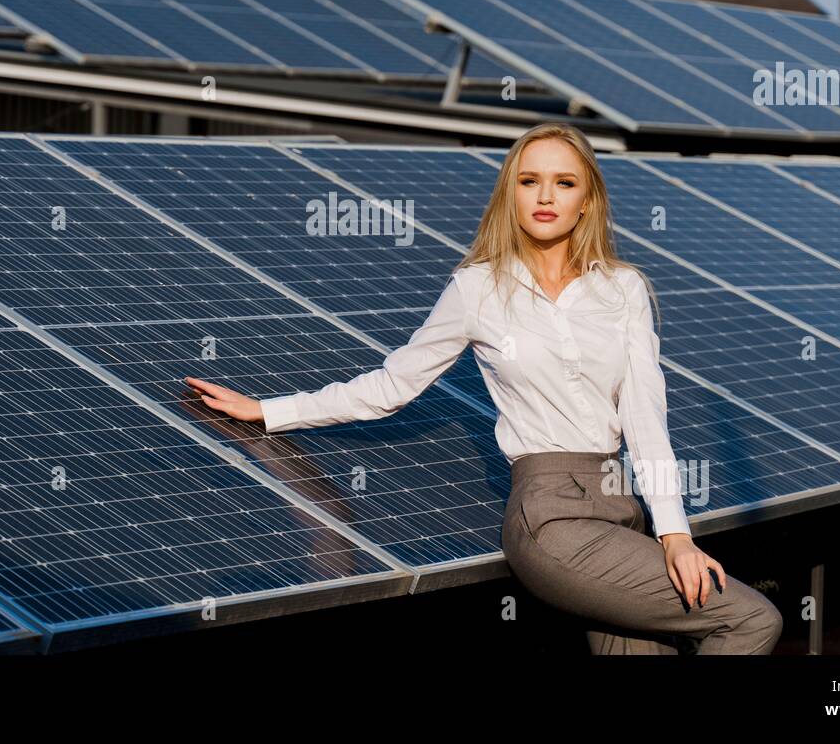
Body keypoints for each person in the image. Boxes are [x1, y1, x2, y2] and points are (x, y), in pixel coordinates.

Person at [185, 121, 783, 654]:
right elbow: (393, 385)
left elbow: (648, 420)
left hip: (623, 508)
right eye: (530, 181)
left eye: (564, 183)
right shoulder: (477, 290)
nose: (546, 196)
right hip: (550, 521)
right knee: (751, 620)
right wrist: (269, 410)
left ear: (588, 201)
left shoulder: (622, 290)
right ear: (511, 194)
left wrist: (675, 535)